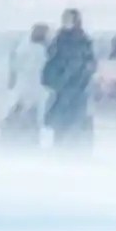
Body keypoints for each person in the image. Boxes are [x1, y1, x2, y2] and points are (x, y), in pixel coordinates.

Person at [41, 9, 96, 148]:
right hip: (63, 90)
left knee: (74, 127)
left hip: (76, 91)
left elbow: (89, 64)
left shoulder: (82, 41)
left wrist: (80, 74)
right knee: (61, 128)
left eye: (68, 19)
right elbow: (52, 62)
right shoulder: (60, 40)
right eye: (64, 19)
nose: (65, 22)